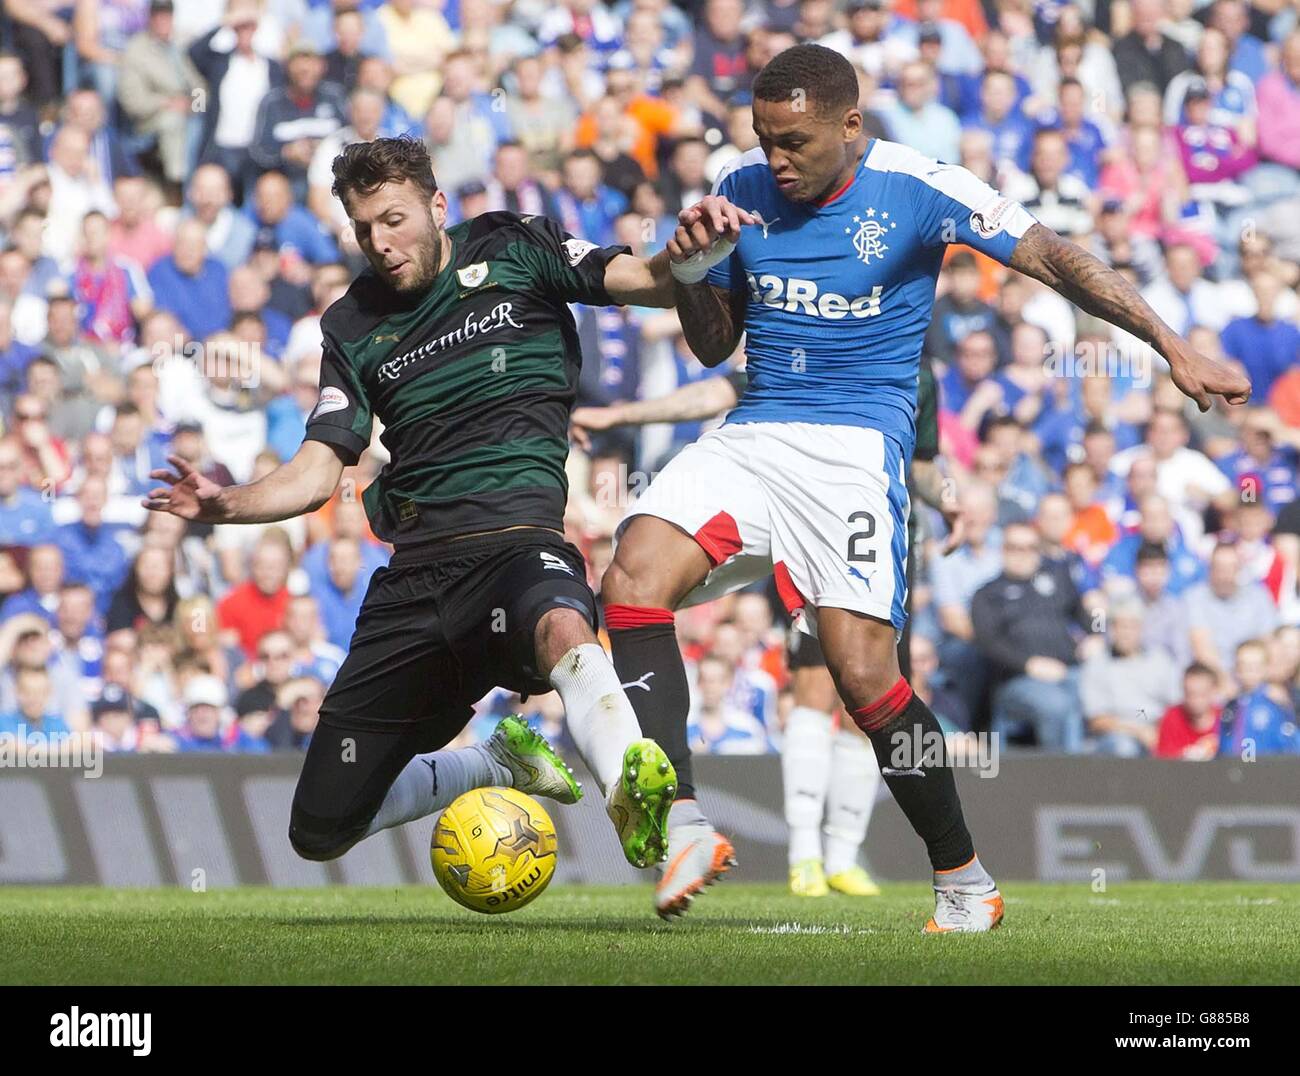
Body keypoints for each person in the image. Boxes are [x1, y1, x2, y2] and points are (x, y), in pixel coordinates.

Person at [599, 44, 1249, 930]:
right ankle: (680, 819)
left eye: (792, 140)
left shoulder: (919, 185)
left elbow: (1054, 258)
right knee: (631, 577)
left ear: (851, 126)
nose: (774, 157)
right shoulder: (738, 186)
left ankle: (965, 882)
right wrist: (689, 268)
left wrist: (1171, 344)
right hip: (758, 429)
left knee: (864, 680)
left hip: (857, 448)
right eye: (762, 137)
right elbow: (715, 347)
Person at [144, 135, 687, 872]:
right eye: (364, 229)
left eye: (394, 219)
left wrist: (694, 252)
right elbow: (316, 470)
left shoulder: (513, 244)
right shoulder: (352, 323)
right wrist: (226, 504)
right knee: (321, 828)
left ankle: (637, 798)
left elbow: (646, 280)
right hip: (416, 582)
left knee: (564, 623)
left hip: (518, 542)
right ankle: (495, 764)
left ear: (436, 204)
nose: (381, 242)